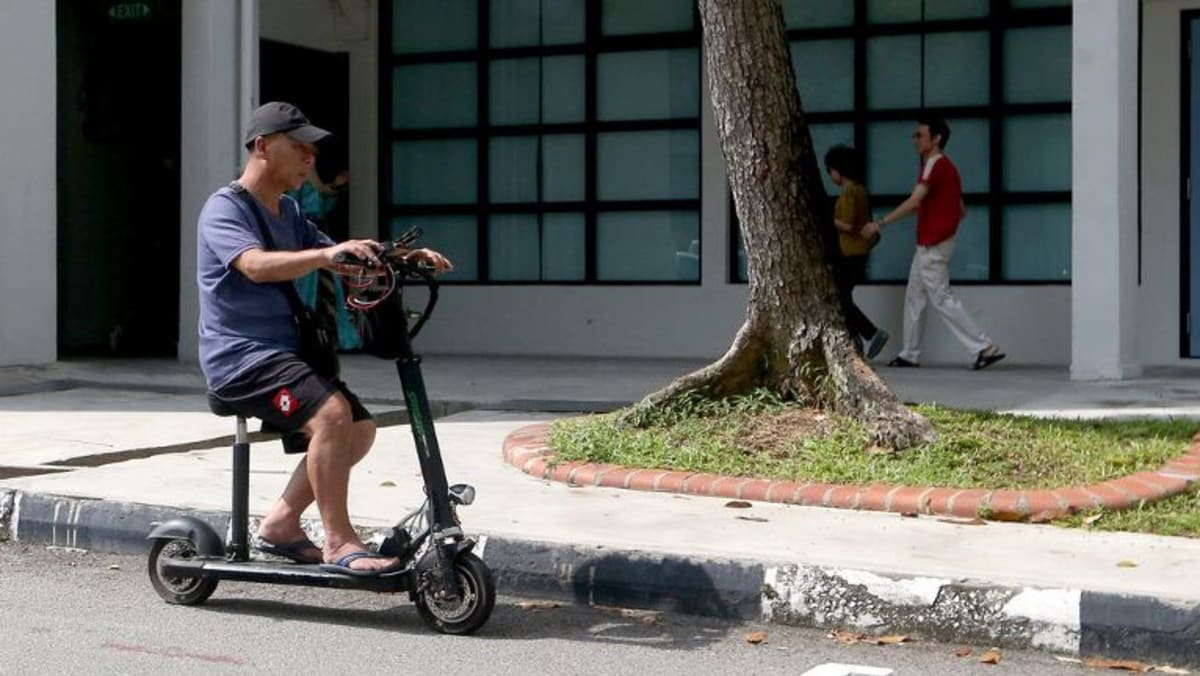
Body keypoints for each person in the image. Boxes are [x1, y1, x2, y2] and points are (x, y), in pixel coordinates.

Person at [196, 101, 452, 575]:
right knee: (332, 415)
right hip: (241, 360)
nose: (310, 160)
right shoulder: (225, 207)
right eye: (299, 148)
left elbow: (335, 253)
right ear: (261, 147)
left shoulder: (288, 211)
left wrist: (399, 256)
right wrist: (323, 256)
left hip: (283, 356)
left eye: (312, 151)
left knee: (359, 427)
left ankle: (281, 522)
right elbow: (253, 265)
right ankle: (338, 541)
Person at [861, 115, 1004, 370]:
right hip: (932, 241)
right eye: (915, 135)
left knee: (940, 297)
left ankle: (984, 347)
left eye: (920, 135)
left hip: (933, 243)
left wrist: (879, 223)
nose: (914, 139)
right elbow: (960, 207)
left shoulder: (934, 165)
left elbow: (915, 201)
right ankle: (910, 354)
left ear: (936, 139)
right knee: (916, 295)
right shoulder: (943, 166)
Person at [824, 144, 889, 360]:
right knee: (842, 296)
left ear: (838, 170)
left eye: (830, 170)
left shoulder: (851, 193)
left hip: (851, 253)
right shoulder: (859, 191)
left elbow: (850, 225)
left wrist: (828, 219)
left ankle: (871, 332)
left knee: (839, 297)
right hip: (856, 252)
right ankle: (862, 336)